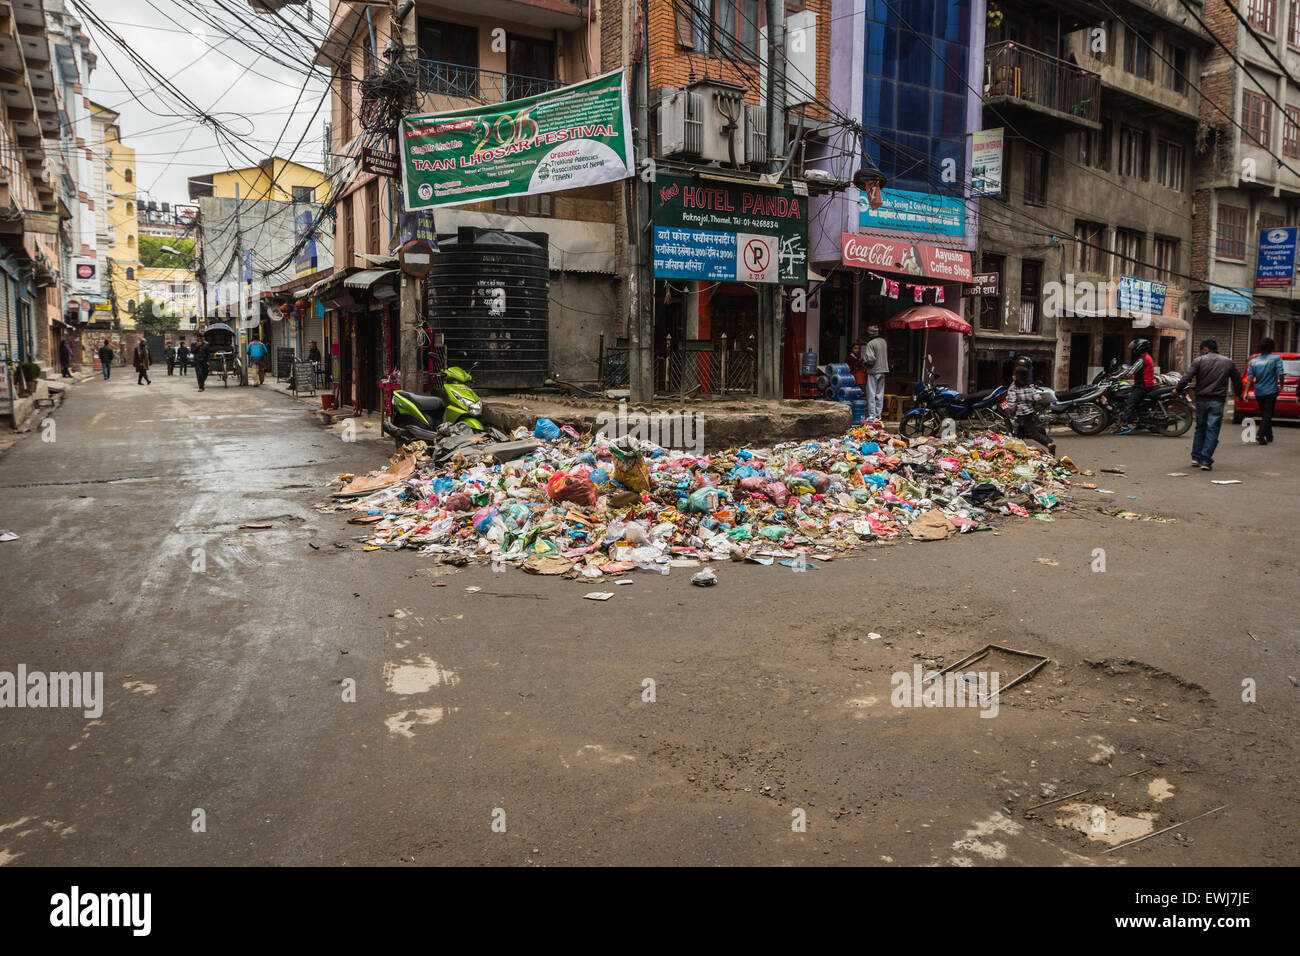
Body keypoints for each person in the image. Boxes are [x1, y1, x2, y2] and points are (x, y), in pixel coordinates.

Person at [1175, 340, 1242, 471]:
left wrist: (1177, 390)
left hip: (1201, 399)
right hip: (1217, 400)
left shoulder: (1199, 361)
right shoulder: (1228, 362)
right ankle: (1205, 460)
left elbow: (1187, 377)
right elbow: (1237, 379)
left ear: (1205, 349)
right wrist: (1238, 394)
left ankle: (1196, 457)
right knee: (1212, 429)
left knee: (1200, 427)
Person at [1006, 363, 1056, 457]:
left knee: (1030, 432)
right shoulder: (1030, 386)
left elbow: (1012, 403)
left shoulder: (1013, 388)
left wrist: (1011, 413)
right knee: (1019, 432)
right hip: (1030, 412)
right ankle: (1017, 450)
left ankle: (1049, 444)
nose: (1012, 376)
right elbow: (1037, 398)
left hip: (1021, 414)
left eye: (1014, 375)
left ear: (1016, 377)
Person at [1246, 337, 1285, 446]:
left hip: (1258, 391)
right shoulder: (1276, 359)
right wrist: (1281, 385)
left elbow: (1250, 377)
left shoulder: (1253, 361)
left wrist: (1245, 392)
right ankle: (1260, 434)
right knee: (1268, 413)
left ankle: (1269, 435)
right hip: (1271, 390)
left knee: (1265, 413)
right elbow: (1280, 373)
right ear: (1272, 347)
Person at [1115, 338, 1155, 435]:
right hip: (1145, 385)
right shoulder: (1145, 357)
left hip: (1143, 386)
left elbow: (1131, 371)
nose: (1133, 350)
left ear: (1140, 348)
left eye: (1134, 348)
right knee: (1138, 403)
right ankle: (1142, 423)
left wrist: (1116, 377)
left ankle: (1124, 426)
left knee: (1129, 403)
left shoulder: (1142, 359)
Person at [861, 325, 889, 420]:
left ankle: (872, 416)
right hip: (883, 370)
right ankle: (878, 415)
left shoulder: (870, 343)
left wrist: (864, 360)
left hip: (873, 371)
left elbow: (870, 359)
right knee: (879, 394)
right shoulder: (883, 342)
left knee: (871, 393)